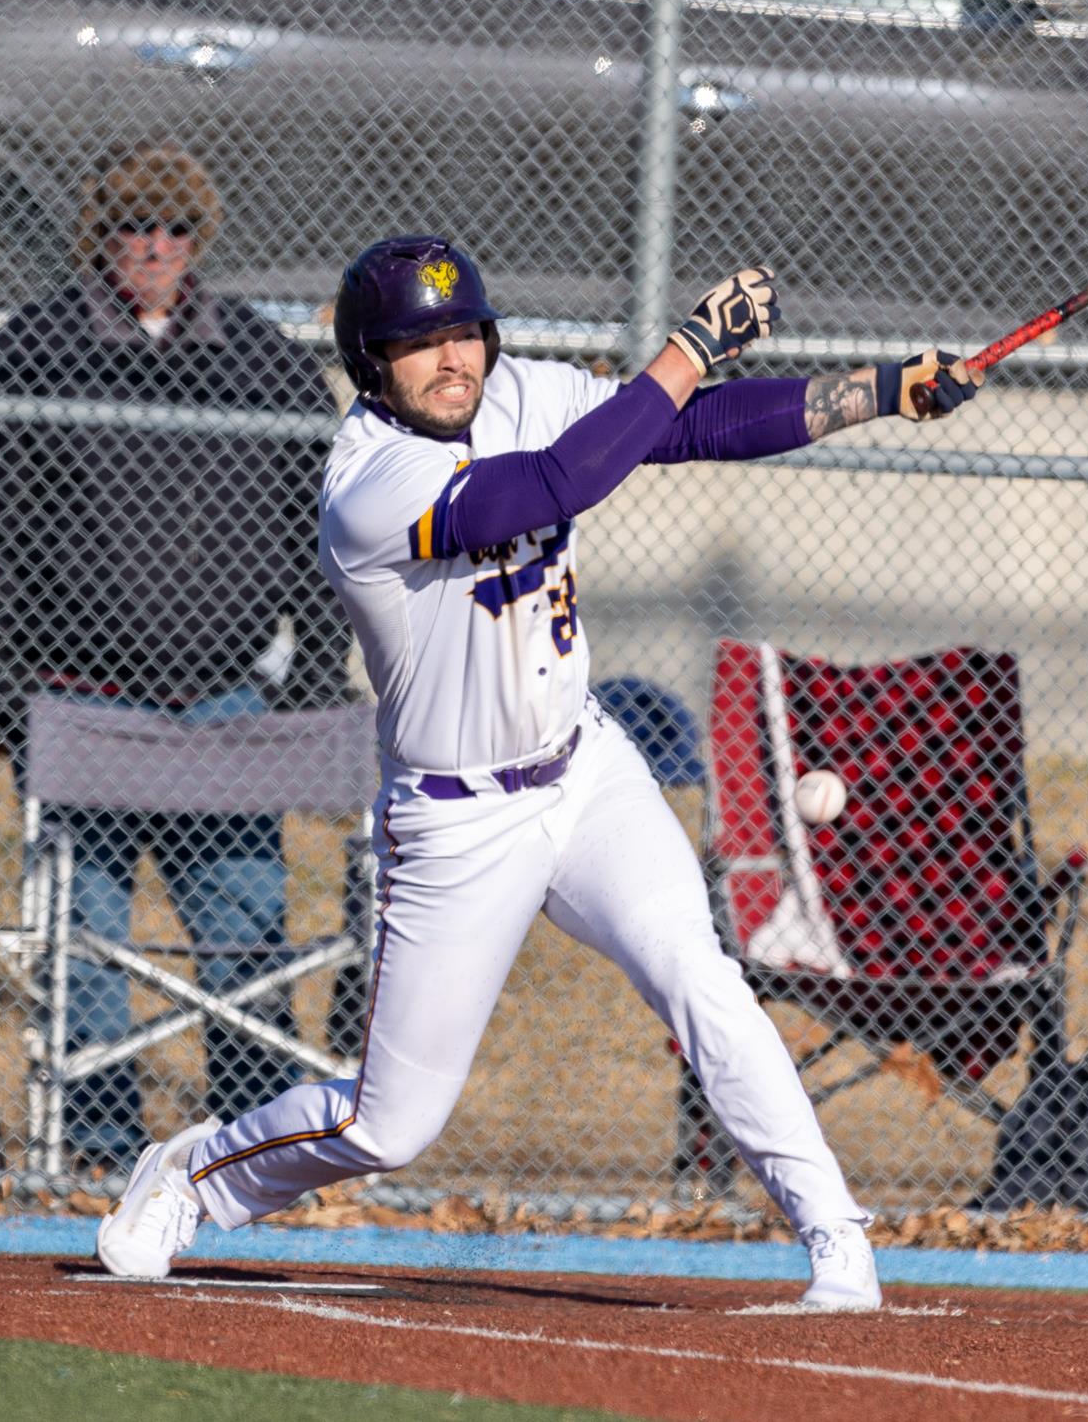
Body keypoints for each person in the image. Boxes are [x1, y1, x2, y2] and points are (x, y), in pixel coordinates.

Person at [93, 234, 980, 1309]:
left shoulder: (516, 390)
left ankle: (836, 1239)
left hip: (583, 772)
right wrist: (691, 341)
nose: (448, 359)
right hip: (454, 820)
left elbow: (680, 424)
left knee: (700, 979)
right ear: (371, 364)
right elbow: (561, 481)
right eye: (414, 343)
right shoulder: (369, 484)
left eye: (461, 332)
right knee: (389, 1126)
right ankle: (189, 1175)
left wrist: (879, 390)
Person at [0, 142, 353, 1169]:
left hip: (221, 705)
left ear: (197, 242)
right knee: (82, 943)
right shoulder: (35, 350)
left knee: (246, 930)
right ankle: (102, 1146)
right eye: (129, 228)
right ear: (98, 239)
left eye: (172, 230)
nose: (151, 249)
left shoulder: (258, 360)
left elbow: (327, 518)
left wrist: (320, 654)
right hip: (77, 704)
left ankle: (254, 1149)